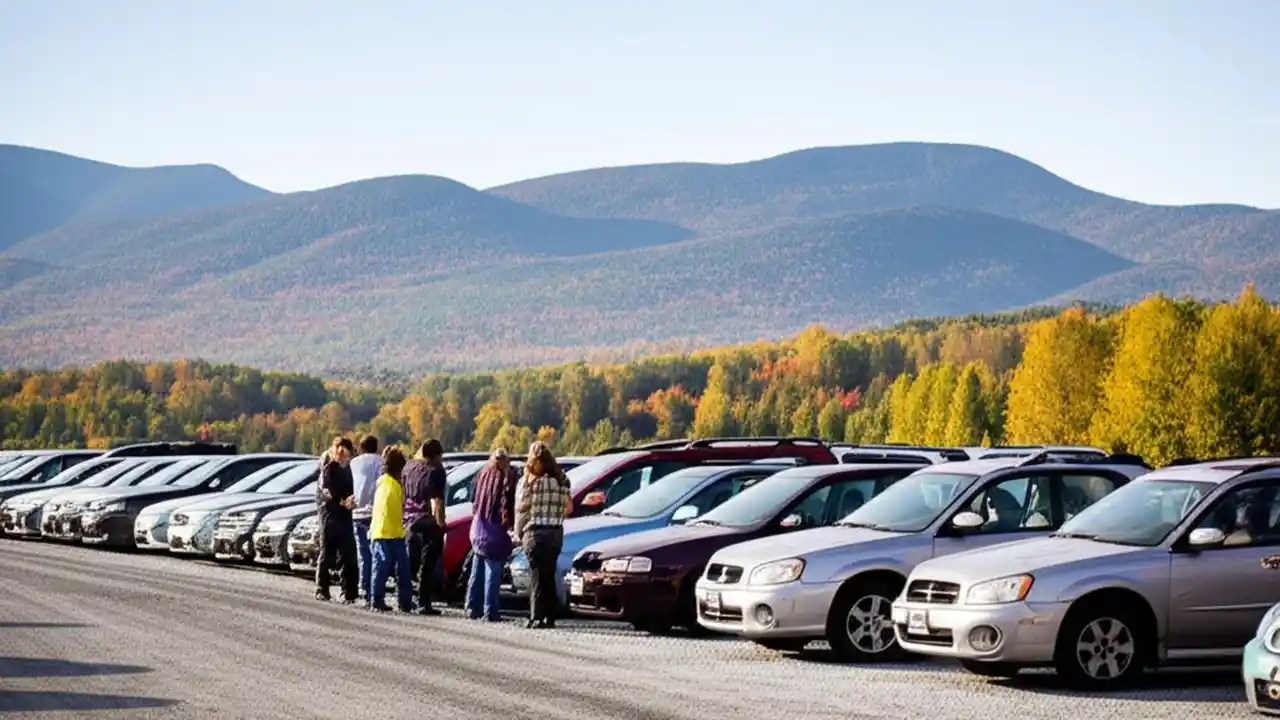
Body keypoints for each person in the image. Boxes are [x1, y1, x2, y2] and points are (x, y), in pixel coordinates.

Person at [516, 441, 571, 629]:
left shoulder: (530, 481)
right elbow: (569, 507)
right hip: (555, 533)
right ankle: (550, 616)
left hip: (535, 532)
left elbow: (522, 506)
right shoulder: (562, 479)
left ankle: (536, 616)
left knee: (536, 576)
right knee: (548, 574)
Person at [467, 448, 518, 622]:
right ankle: (490, 610)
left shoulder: (483, 475)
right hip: (494, 533)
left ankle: (472, 606)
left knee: (477, 569)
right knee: (493, 572)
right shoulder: (504, 480)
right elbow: (507, 507)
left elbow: (473, 500)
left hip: (477, 527)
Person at [403, 439, 448, 615]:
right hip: (428, 522)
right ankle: (424, 602)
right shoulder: (436, 471)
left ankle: (406, 598)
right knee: (428, 565)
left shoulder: (409, 467)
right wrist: (441, 523)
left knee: (409, 563)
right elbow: (438, 501)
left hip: (409, 521)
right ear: (436, 456)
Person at [369, 446, 413, 613]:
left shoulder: (382, 483)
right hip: (391, 532)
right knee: (401, 570)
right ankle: (403, 602)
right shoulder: (394, 486)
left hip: (380, 531)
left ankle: (377, 599)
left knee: (380, 568)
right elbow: (398, 510)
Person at [315, 436, 359, 603]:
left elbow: (350, 488)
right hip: (330, 514)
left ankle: (349, 592)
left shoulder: (347, 469)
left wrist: (351, 500)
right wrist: (341, 501)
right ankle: (322, 589)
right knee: (327, 553)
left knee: (348, 554)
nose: (345, 458)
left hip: (344, 514)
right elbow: (326, 492)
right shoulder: (328, 468)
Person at [349, 435, 382, 601]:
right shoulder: (379, 462)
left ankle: (364, 586)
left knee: (362, 552)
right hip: (373, 511)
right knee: (375, 551)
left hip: (356, 511)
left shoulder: (354, 463)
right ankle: (373, 588)